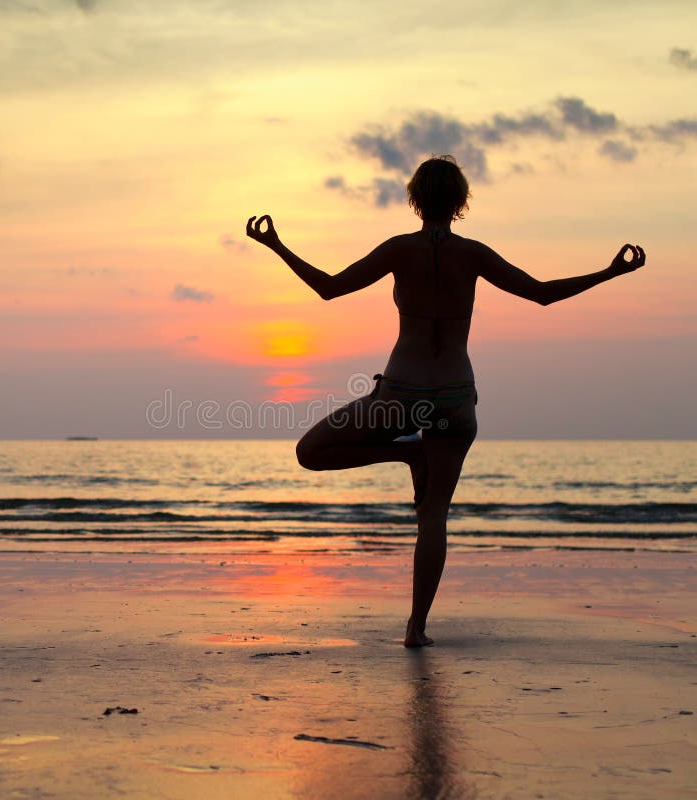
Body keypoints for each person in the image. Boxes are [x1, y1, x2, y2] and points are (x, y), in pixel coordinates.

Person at [245, 155, 646, 647]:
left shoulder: (399, 250)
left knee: (310, 452)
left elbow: (329, 289)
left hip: (401, 396)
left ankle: (404, 450)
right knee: (433, 515)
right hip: (456, 400)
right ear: (460, 202)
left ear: (415, 199)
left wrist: (276, 245)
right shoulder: (472, 254)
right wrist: (610, 272)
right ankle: (416, 627)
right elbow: (542, 294)